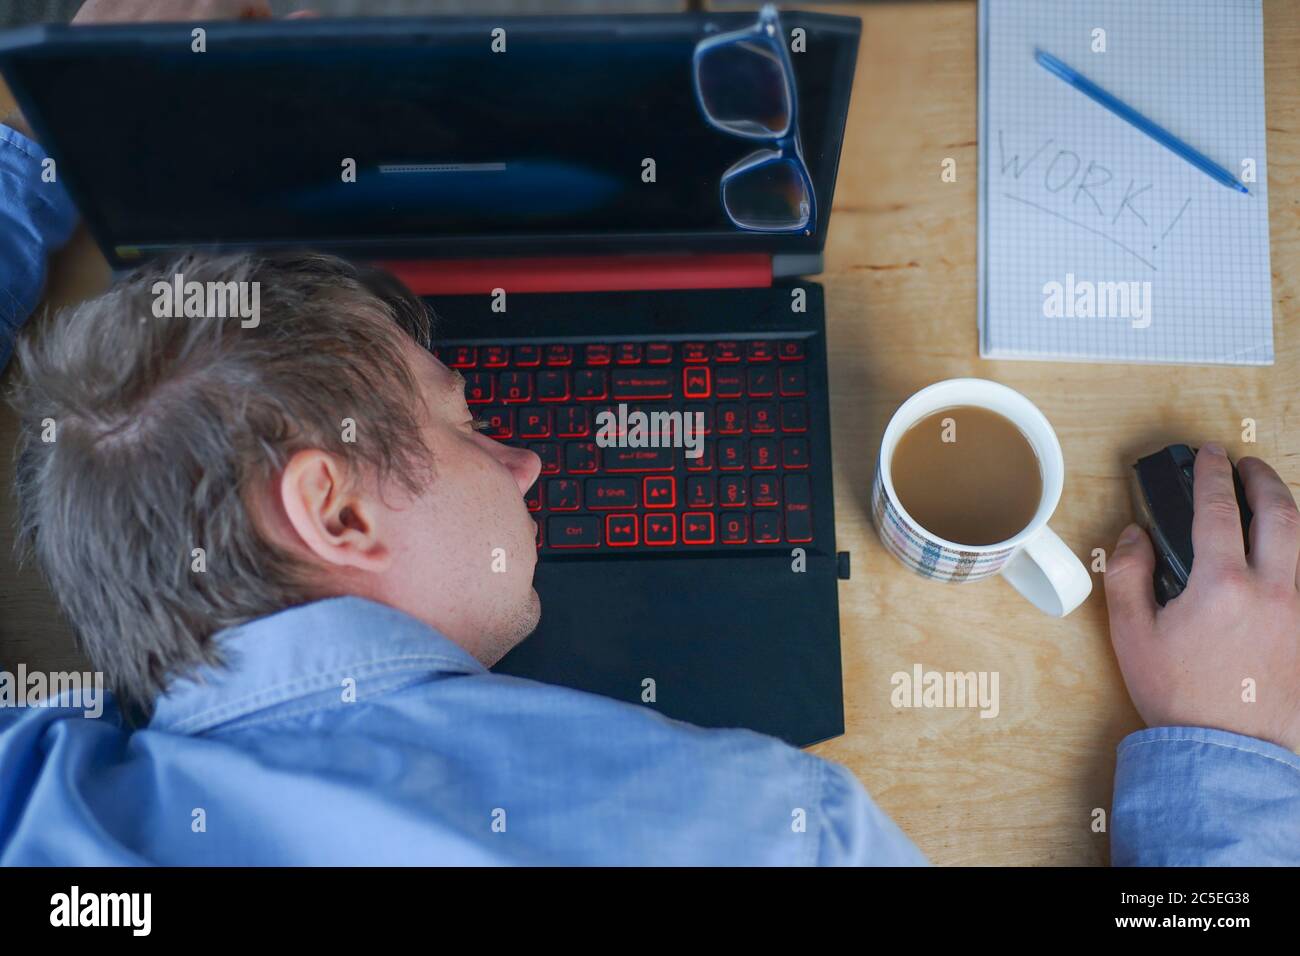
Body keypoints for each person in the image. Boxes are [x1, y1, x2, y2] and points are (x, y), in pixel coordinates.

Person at [0, 0, 1295, 867]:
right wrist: (1233, 746)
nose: (529, 457)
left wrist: (69, 131)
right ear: (334, 511)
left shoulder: (32, 802)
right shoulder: (761, 831)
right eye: (467, 429)